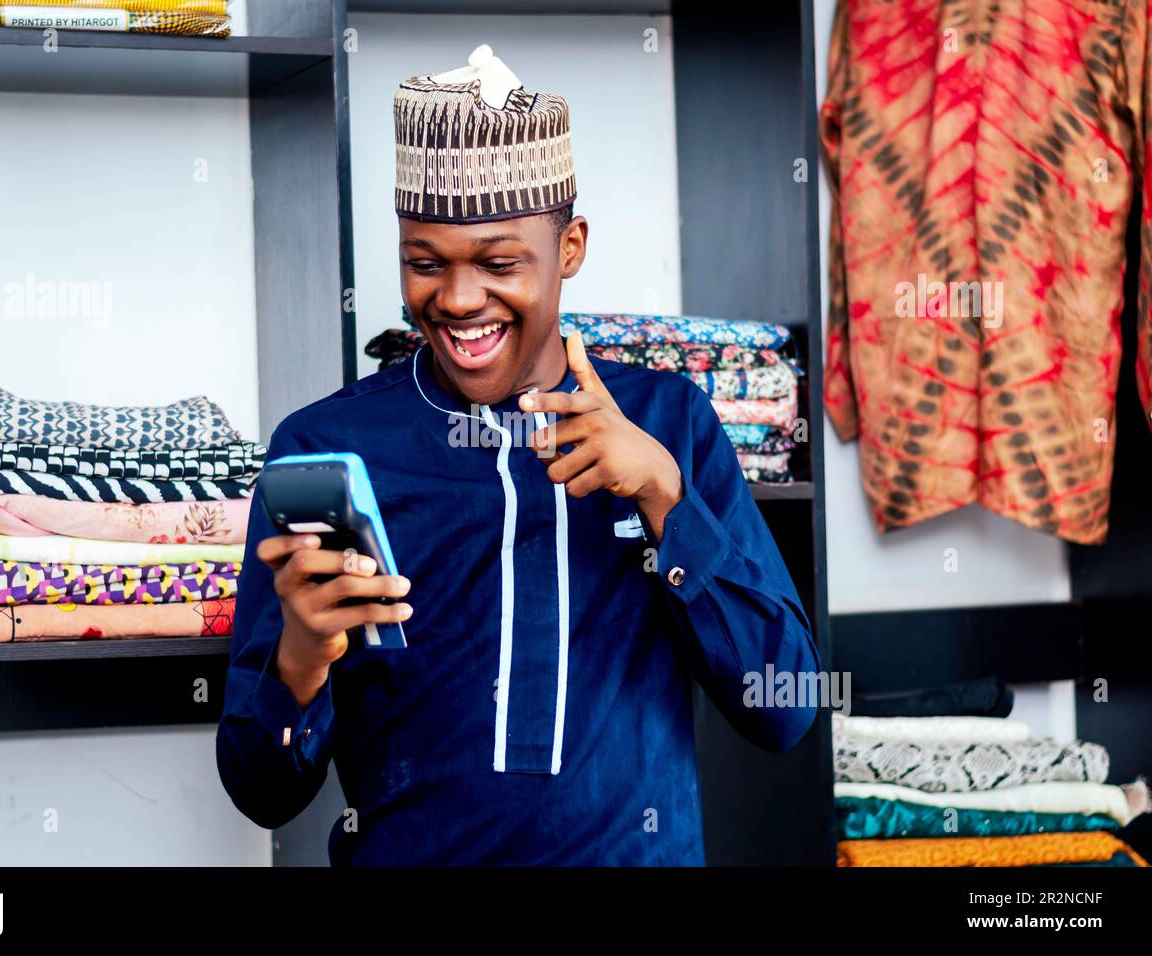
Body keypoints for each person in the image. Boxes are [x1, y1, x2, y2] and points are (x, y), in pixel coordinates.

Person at [216, 44, 822, 865]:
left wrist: (664, 501)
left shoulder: (668, 423)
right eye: (424, 265)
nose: (458, 300)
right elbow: (261, 790)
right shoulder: (327, 449)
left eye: (499, 264)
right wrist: (298, 659)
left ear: (569, 247)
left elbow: (782, 707)